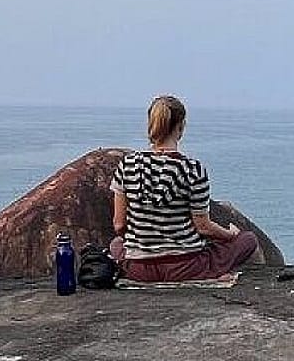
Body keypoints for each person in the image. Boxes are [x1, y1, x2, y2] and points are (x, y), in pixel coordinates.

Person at [109, 95, 261, 281]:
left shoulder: (127, 164)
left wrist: (143, 244)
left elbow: (119, 225)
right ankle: (209, 272)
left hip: (140, 269)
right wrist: (229, 235)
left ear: (151, 124)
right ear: (181, 127)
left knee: (116, 244)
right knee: (248, 240)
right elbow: (203, 227)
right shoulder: (193, 169)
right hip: (186, 267)